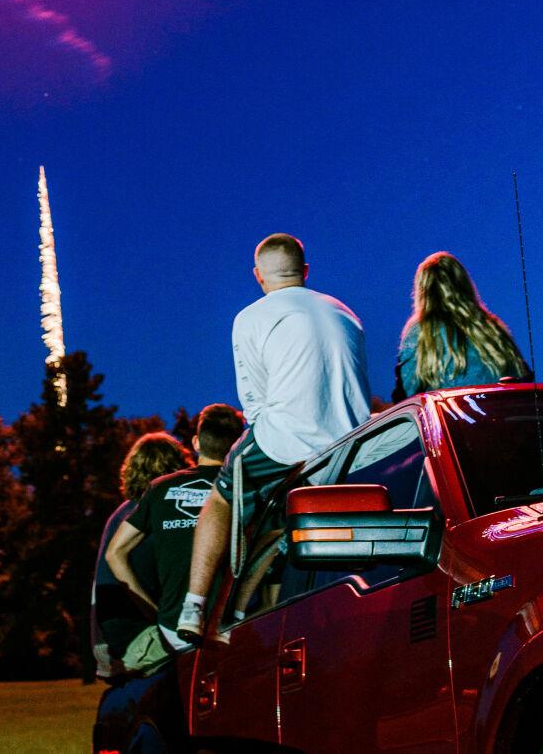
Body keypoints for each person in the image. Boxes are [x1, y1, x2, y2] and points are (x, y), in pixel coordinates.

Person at [177, 234, 371, 639]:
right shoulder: (346, 313)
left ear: (258, 276)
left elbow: (256, 403)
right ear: (305, 272)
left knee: (221, 502)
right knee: (281, 523)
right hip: (353, 443)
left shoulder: (250, 317)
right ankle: (249, 612)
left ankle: (194, 608)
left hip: (286, 435)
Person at [106, 403, 245, 663]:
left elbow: (115, 553)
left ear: (196, 442)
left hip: (175, 627)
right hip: (235, 624)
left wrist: (153, 611)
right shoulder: (247, 489)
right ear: (237, 445)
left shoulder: (160, 488)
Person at [92, 431, 192, 680]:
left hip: (110, 640)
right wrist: (157, 617)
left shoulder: (121, 515)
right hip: (138, 637)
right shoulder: (164, 517)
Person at [394, 252, 530, 397]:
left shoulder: (419, 334)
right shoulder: (494, 330)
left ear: (422, 290)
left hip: (452, 418)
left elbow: (406, 397)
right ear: (464, 283)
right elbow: (524, 380)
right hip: (503, 415)